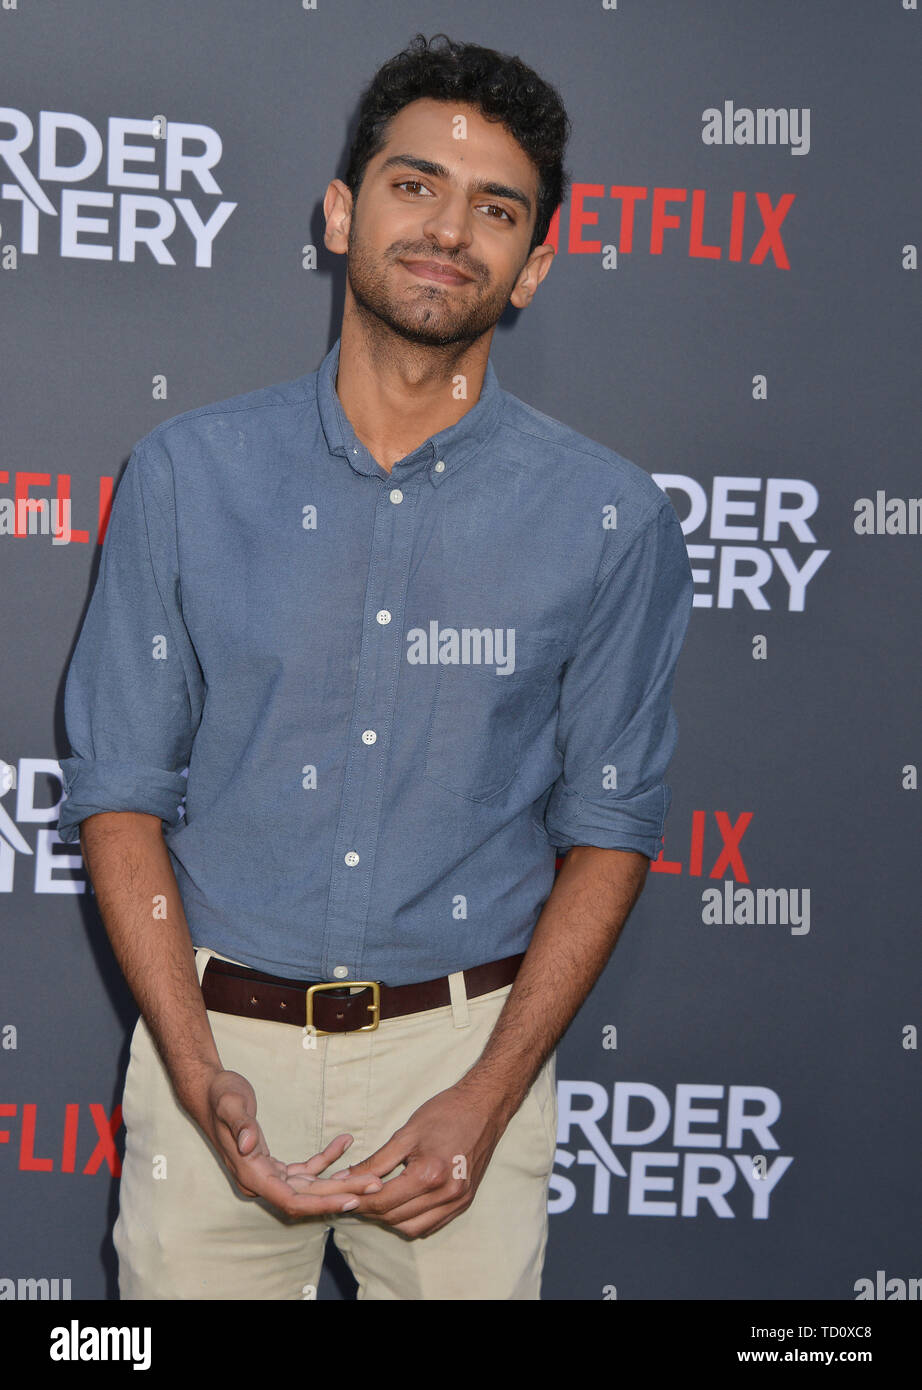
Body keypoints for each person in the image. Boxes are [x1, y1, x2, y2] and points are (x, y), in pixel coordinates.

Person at [57, 32, 693, 1301]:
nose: (450, 228)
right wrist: (192, 1069)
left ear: (534, 264)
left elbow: (609, 827)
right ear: (342, 210)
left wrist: (487, 1095)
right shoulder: (186, 475)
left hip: (465, 1061)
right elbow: (119, 787)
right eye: (415, 186)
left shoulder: (611, 519)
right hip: (213, 1039)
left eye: (496, 208)